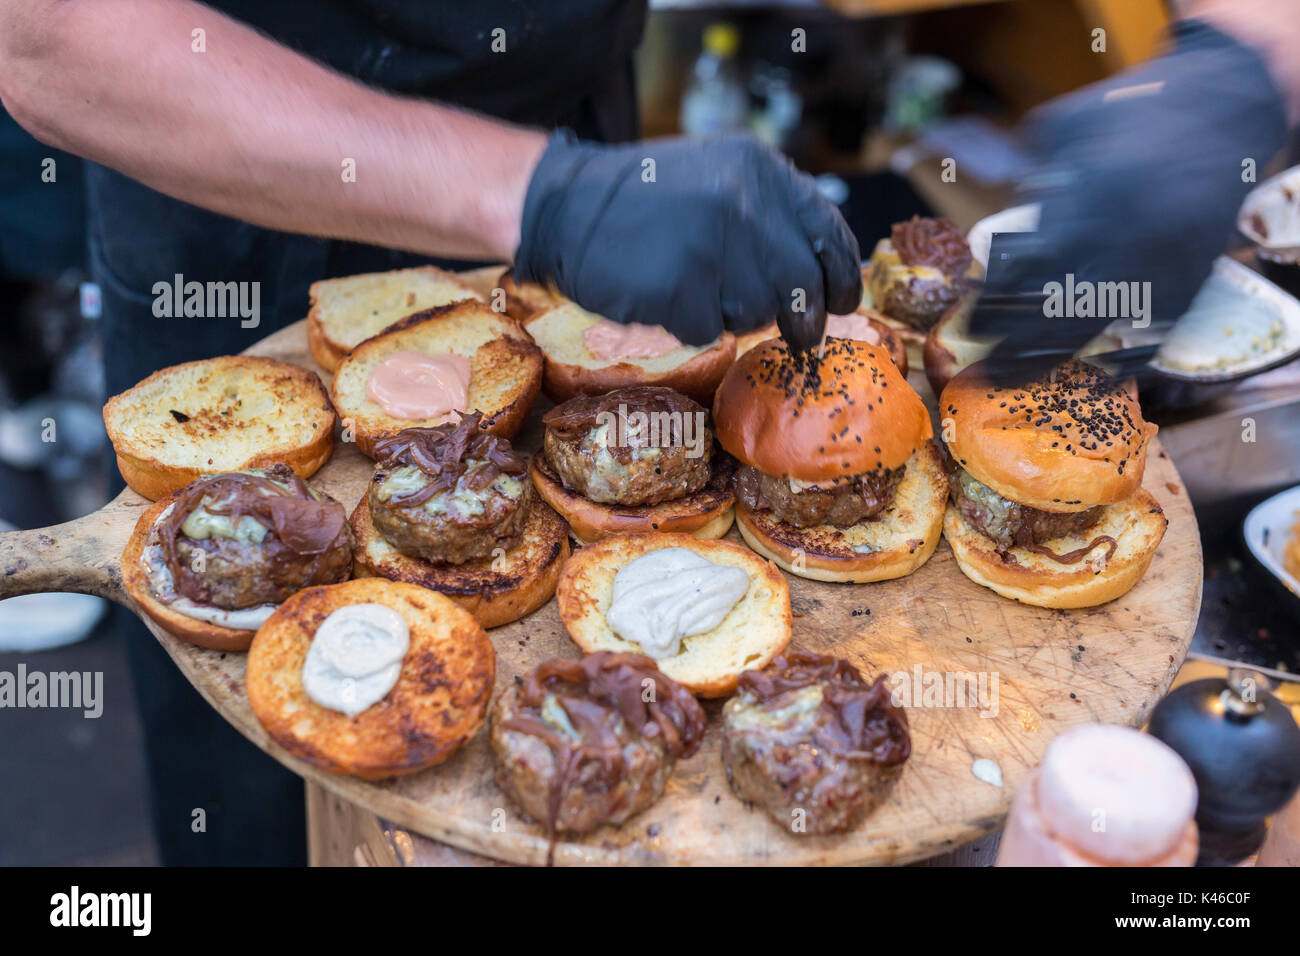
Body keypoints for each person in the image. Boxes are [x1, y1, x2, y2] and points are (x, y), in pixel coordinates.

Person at [0, 0, 1296, 863]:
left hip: (576, 111)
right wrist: (527, 193)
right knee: (260, 794)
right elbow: (49, 41)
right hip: (240, 171)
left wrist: (1242, 57)